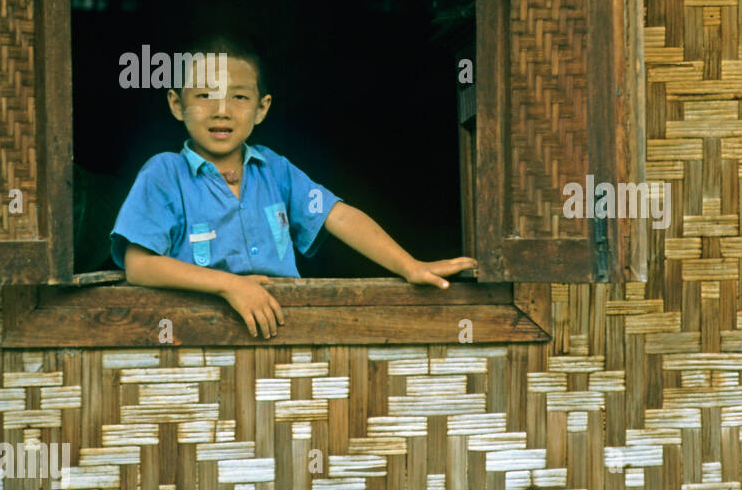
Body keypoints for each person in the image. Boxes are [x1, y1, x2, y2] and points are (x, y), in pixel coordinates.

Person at [109, 32, 476, 338]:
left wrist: (408, 265)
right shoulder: (165, 174)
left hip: (284, 333)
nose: (222, 110)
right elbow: (139, 266)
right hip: (197, 339)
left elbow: (339, 216)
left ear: (261, 108)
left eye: (239, 96)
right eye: (205, 96)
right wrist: (229, 285)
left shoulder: (275, 171)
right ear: (177, 104)